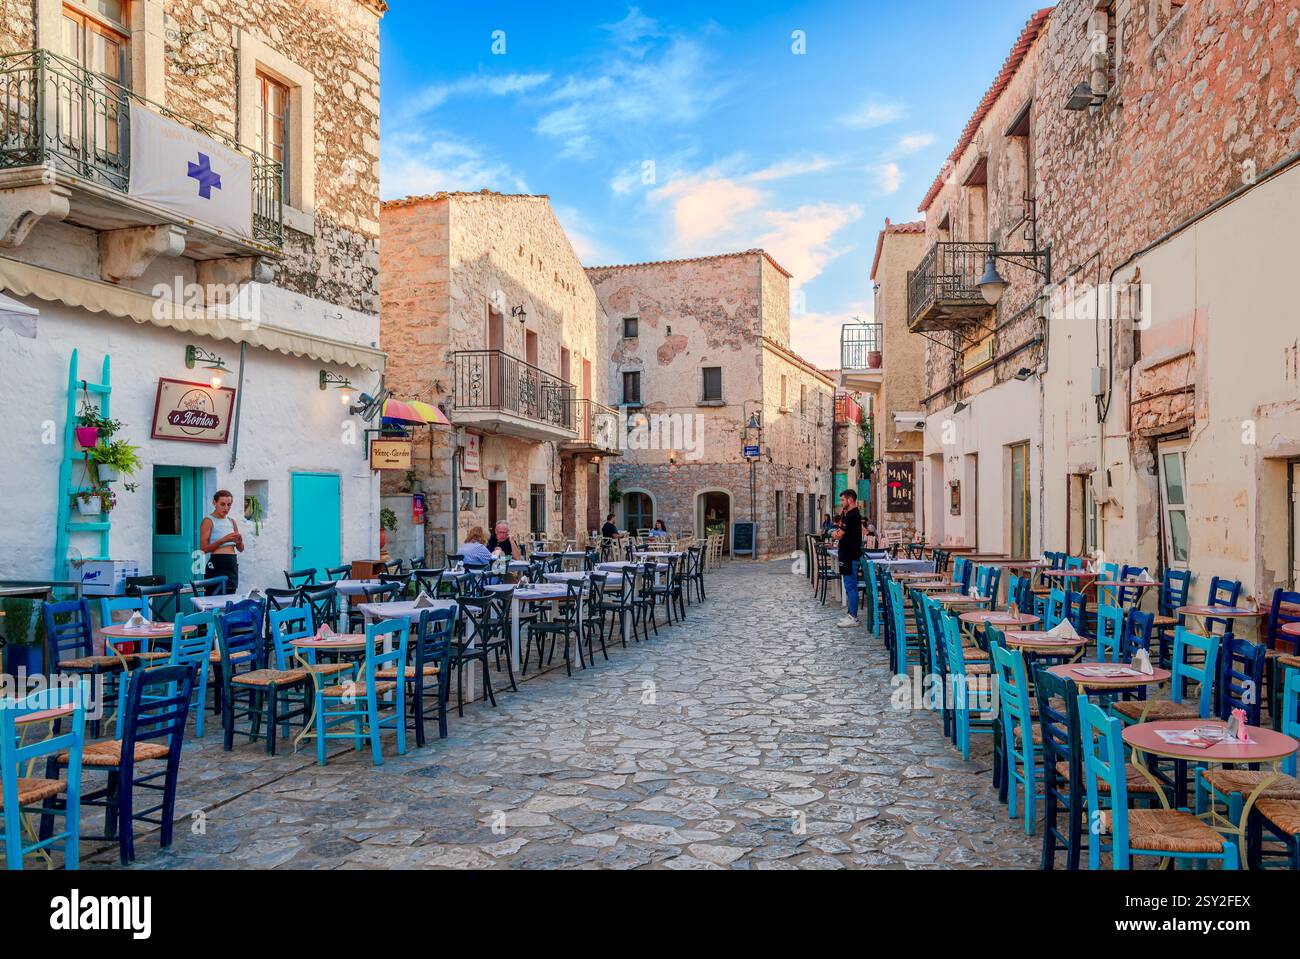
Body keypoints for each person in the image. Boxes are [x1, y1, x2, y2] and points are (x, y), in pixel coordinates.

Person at [200, 489, 243, 593]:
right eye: (222, 504)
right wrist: (223, 540)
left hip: (231, 563)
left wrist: (239, 541)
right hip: (217, 563)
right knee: (214, 597)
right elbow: (203, 549)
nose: (226, 508)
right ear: (214, 503)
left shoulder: (231, 521)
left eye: (229, 505)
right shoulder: (208, 521)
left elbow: (240, 549)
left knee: (230, 596)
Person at [831, 490, 862, 628]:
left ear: (850, 500)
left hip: (849, 556)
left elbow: (838, 534)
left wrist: (834, 533)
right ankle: (851, 614)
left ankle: (853, 617)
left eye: (843, 500)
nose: (841, 503)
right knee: (849, 586)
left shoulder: (852, 516)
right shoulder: (848, 515)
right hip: (848, 555)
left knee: (851, 586)